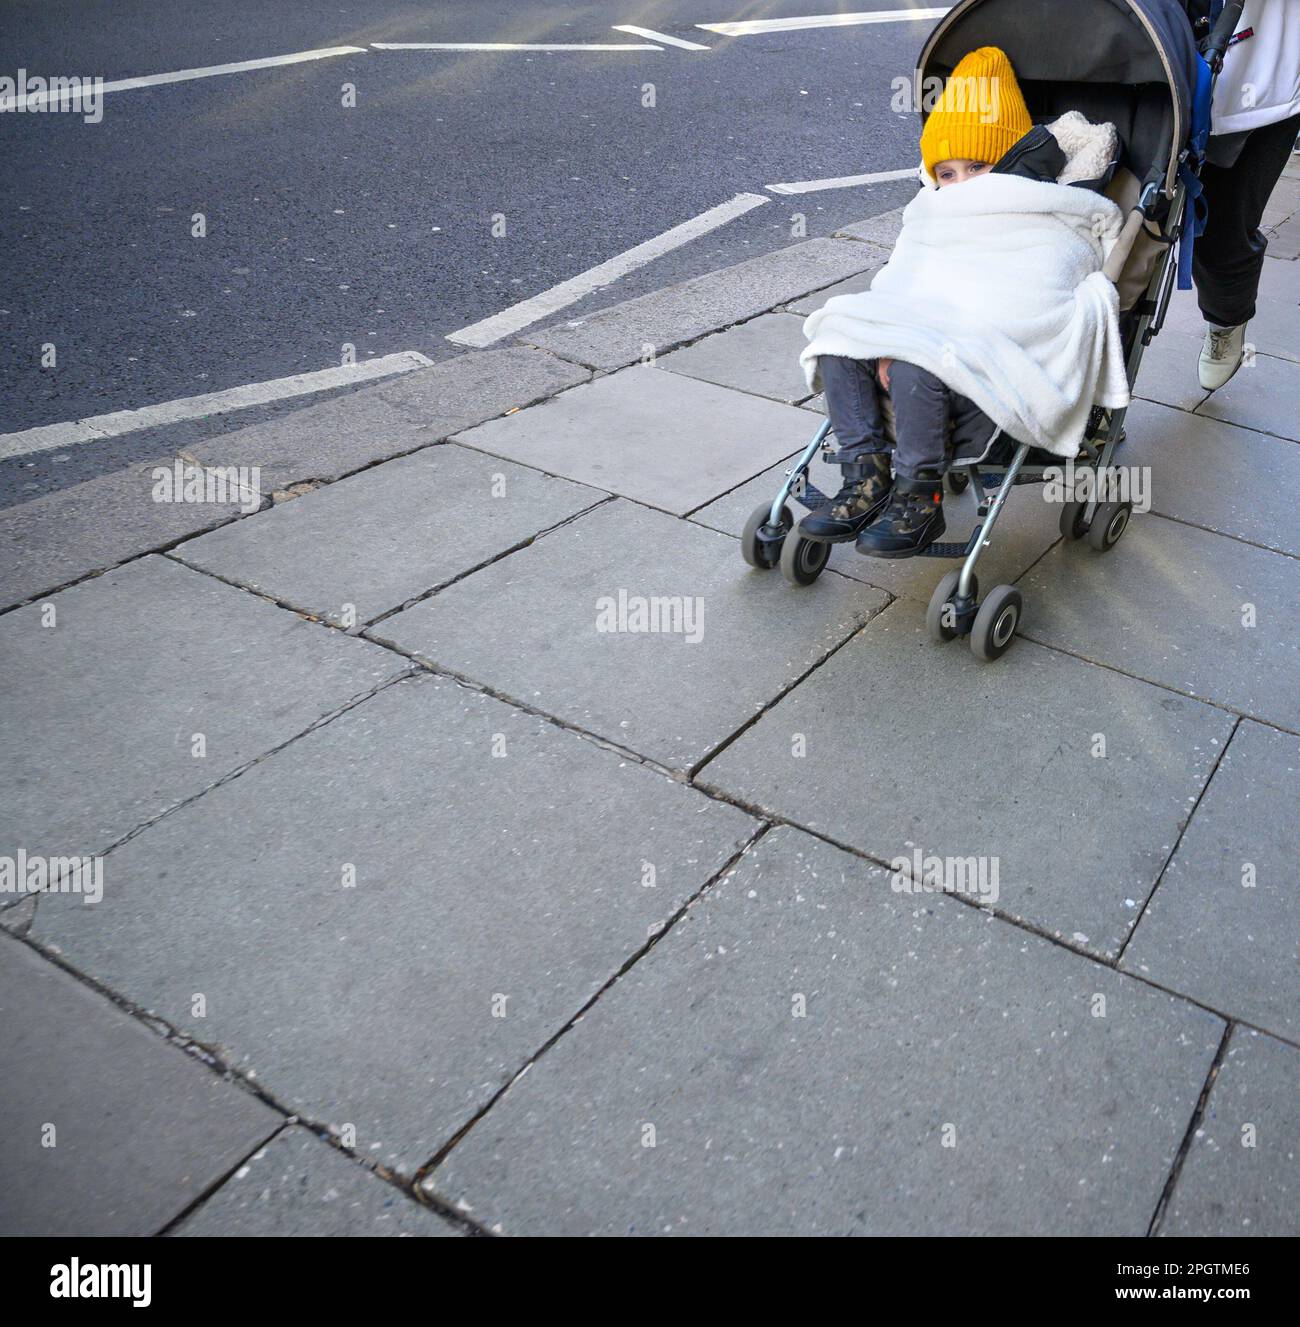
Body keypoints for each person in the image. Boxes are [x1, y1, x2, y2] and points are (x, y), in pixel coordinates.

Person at [1190, 0, 1300, 388]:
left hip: (1261, 77)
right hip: (1155, 60)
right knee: (1131, 228)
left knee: (1222, 229)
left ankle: (1226, 319)